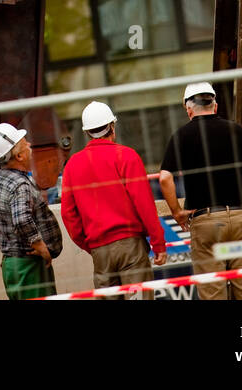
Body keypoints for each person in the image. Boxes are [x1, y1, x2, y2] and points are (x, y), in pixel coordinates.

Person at [159, 81, 242, 301]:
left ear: (189, 109)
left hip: (205, 222)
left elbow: (165, 178)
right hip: (239, 218)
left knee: (212, 292)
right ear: (215, 106)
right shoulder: (239, 131)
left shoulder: (181, 137)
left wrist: (177, 212)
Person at [60, 101, 167, 298]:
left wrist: (89, 245)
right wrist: (158, 242)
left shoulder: (72, 165)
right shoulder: (126, 156)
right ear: (112, 127)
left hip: (100, 251)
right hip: (131, 247)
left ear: (87, 132)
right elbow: (144, 204)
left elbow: (68, 214)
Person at [0, 123, 63, 300]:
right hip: (29, 266)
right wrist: (41, 247)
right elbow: (22, 220)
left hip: (13, 265)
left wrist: (8, 245)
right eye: (25, 143)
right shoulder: (20, 185)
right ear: (20, 155)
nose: (30, 145)